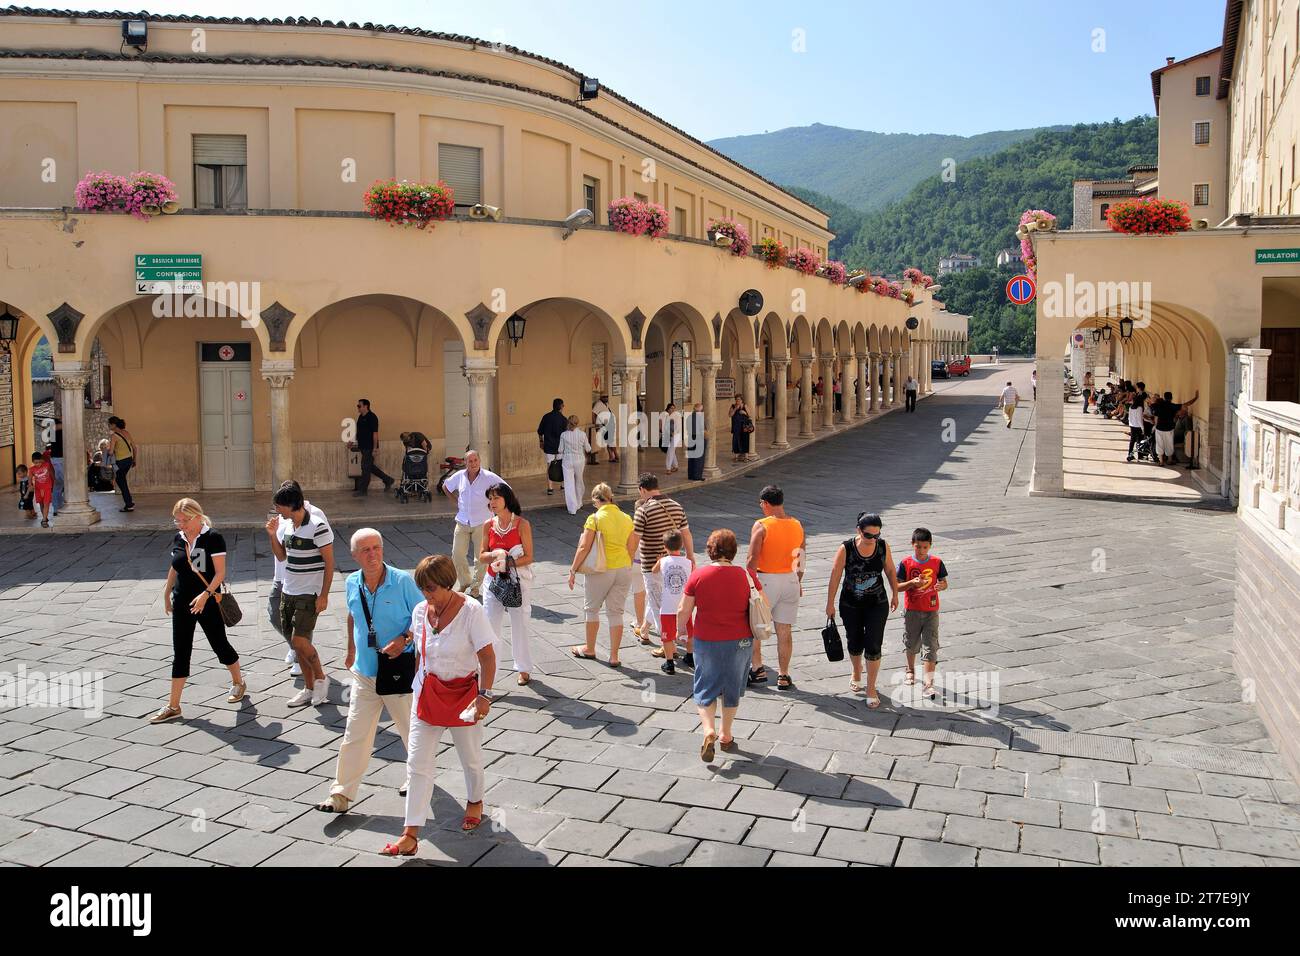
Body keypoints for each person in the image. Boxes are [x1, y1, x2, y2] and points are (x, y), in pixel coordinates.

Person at [381, 555, 496, 856]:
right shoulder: (421, 611)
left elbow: (487, 656)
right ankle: (410, 833)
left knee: (469, 757)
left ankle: (475, 802)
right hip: (428, 692)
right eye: (422, 588)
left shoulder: (472, 611)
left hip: (464, 695)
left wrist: (484, 695)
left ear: (447, 583)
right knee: (417, 763)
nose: (426, 594)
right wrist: (416, 678)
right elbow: (420, 649)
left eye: (431, 587)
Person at [316, 528, 423, 814]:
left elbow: (424, 616)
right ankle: (340, 794)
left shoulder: (402, 581)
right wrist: (351, 649)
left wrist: (405, 639)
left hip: (398, 670)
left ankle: (418, 777)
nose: (373, 554)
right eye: (366, 550)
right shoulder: (352, 581)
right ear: (354, 555)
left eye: (377, 547)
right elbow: (353, 615)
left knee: (409, 730)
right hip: (365, 671)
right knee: (355, 733)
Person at [151, 498, 245, 723]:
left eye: (184, 520)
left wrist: (205, 595)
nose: (181, 524)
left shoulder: (213, 538)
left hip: (208, 600)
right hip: (183, 601)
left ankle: (238, 682)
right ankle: (173, 705)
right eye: (177, 520)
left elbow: (220, 573)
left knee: (219, 644)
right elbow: (175, 566)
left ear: (198, 517)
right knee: (181, 652)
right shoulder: (179, 537)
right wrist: (166, 594)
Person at [678, 529, 762, 761]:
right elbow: (761, 602)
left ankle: (709, 730)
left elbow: (683, 610)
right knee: (732, 686)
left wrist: (680, 630)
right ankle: (726, 734)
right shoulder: (746, 575)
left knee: (705, 685)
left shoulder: (699, 575)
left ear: (710, 550)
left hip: (707, 639)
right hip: (740, 639)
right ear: (734, 551)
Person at [267, 483, 334, 707]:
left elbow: (330, 562)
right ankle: (308, 688)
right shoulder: (287, 526)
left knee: (300, 641)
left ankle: (321, 679)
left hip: (308, 592)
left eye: (279, 506)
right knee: (297, 645)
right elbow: (282, 557)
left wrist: (323, 595)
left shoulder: (317, 525)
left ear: (291, 504)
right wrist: (271, 535)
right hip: (288, 590)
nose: (277, 510)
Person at [826, 512, 899, 708]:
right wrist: (830, 603)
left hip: (877, 603)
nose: (873, 540)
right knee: (854, 640)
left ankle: (871, 687)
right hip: (851, 604)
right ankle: (856, 671)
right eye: (869, 536)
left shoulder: (883, 546)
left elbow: (890, 570)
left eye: (877, 536)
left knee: (874, 644)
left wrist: (895, 593)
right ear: (859, 530)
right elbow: (835, 576)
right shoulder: (846, 548)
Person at [567, 483, 635, 667]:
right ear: (611, 497)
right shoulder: (626, 518)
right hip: (623, 568)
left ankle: (590, 648)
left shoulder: (595, 518)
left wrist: (573, 569)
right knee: (616, 613)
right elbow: (631, 548)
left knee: (591, 609)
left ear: (597, 500)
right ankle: (614, 656)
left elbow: (584, 547)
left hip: (601, 570)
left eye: (594, 502)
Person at [746, 484, 804, 691]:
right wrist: (799, 581)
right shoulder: (797, 524)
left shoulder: (761, 525)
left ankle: (758, 669)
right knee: (784, 630)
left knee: (756, 627)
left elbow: (752, 559)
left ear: (766, 503)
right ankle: (784, 675)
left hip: (766, 580)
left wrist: (751, 584)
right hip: (790, 579)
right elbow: (801, 556)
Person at [479, 482, 537, 685]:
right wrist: (495, 555)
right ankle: (489, 675)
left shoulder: (522, 524)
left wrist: (508, 562)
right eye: (490, 498)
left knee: (519, 624)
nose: (492, 502)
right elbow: (481, 555)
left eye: (496, 498)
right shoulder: (488, 525)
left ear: (507, 499)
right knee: (489, 627)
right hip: (492, 581)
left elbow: (529, 556)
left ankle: (523, 668)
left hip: (516, 581)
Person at [628, 473, 693, 651]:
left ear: (642, 489)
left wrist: (628, 559)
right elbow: (686, 533)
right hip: (675, 563)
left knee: (658, 604)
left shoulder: (643, 510)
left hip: (652, 566)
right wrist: (691, 557)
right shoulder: (677, 506)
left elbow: (635, 538)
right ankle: (644, 629)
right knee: (663, 599)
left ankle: (668, 647)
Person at [441, 450, 502, 598]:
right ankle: (465, 581)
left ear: (480, 461)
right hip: (462, 521)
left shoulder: (489, 477)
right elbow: (446, 486)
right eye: (470, 461)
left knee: (480, 557)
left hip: (482, 522)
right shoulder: (459, 476)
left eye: (475, 460)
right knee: (457, 554)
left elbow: (506, 490)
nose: (473, 463)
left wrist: (494, 505)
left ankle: (475, 587)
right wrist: (456, 502)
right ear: (465, 463)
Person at [896, 528, 948, 699]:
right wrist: (912, 583)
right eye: (918, 547)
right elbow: (896, 586)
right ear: (912, 545)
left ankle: (928, 683)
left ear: (930, 546)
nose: (922, 551)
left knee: (931, 645)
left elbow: (944, 582)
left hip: (932, 610)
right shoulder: (905, 564)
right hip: (912, 609)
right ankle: (910, 669)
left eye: (925, 547)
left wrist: (942, 586)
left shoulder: (937, 562)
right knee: (911, 642)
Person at [269, 480, 301, 678]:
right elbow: (279, 553)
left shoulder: (311, 516)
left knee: (298, 621)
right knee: (274, 614)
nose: (277, 510)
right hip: (279, 576)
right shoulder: (281, 518)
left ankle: (300, 657)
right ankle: (294, 646)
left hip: (297, 579)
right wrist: (272, 533)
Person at [653, 530, 694, 674]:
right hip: (685, 606)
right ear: (682, 545)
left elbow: (653, 571)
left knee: (667, 635)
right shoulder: (688, 562)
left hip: (668, 607)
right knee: (689, 633)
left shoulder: (663, 561)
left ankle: (669, 663)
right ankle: (690, 656)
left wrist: (659, 560)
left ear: (665, 546)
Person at [352, 399, 395, 497]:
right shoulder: (360, 417)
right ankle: (388, 480)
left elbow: (375, 433)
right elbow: (358, 432)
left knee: (365, 467)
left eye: (359, 406)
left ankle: (363, 490)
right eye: (357, 406)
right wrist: (353, 442)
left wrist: (375, 448)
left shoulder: (372, 417)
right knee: (369, 467)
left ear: (366, 406)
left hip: (369, 447)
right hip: (362, 447)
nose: (358, 408)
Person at [1151, 390, 1198, 465]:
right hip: (1169, 428)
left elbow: (1152, 405)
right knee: (1169, 443)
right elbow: (1186, 404)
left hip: (1159, 428)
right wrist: (1196, 398)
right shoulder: (1173, 406)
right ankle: (1170, 460)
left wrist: (1154, 401)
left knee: (1159, 444)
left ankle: (1161, 461)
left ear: (1164, 397)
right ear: (1171, 398)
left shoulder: (1159, 405)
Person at [558, 415, 591, 515]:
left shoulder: (563, 435)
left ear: (568, 422)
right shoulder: (582, 434)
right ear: (577, 423)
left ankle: (572, 507)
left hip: (567, 460)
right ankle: (579, 502)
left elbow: (560, 449)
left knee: (568, 484)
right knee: (579, 480)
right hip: (579, 460)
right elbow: (588, 448)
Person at [537, 398, 568, 496]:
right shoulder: (563, 419)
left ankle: (550, 488)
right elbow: (566, 435)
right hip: (561, 447)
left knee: (550, 465)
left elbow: (540, 431)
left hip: (549, 446)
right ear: (561, 407)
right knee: (561, 465)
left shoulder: (546, 417)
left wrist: (541, 441)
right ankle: (562, 485)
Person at [107, 416, 136, 512]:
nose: (108, 426)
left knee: (120, 481)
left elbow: (111, 452)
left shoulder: (114, 436)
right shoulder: (126, 433)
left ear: (114, 425)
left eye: (109, 424)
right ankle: (129, 502)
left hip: (121, 461)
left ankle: (129, 504)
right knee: (121, 480)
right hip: (129, 460)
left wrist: (107, 451)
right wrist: (134, 460)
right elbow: (134, 448)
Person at [28, 452, 54, 528]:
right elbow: (29, 478)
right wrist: (30, 485)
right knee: (41, 504)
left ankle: (44, 520)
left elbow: (51, 472)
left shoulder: (47, 465)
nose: (38, 464)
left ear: (42, 460)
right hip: (38, 489)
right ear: (33, 462)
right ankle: (44, 517)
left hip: (47, 488)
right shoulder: (32, 469)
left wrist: (54, 480)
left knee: (46, 503)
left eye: (39, 462)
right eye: (36, 463)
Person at [1125, 391, 1150, 462]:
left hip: (1132, 425)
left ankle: (1130, 454)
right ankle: (1140, 455)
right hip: (1138, 426)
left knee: (1132, 441)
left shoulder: (1131, 407)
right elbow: (1139, 419)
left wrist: (1131, 424)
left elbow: (1129, 417)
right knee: (1139, 441)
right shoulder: (1139, 408)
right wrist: (1142, 428)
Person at [592, 394, 618, 463]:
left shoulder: (606, 404)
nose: (606, 398)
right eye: (604, 397)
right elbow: (593, 414)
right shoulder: (598, 404)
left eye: (607, 397)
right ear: (601, 397)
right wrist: (596, 425)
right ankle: (616, 455)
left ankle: (611, 457)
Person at [686, 402, 707, 481]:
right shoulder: (700, 417)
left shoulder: (689, 417)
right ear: (700, 410)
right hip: (699, 438)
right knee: (699, 458)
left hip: (691, 437)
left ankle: (690, 475)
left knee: (691, 457)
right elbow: (703, 430)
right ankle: (697, 476)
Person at [47, 418, 64, 516]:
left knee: (59, 484)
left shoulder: (52, 432)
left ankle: (57, 507)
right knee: (62, 482)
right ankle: (57, 507)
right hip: (58, 459)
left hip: (57, 458)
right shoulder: (53, 431)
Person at [731, 398, 754, 462]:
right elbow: (730, 415)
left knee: (745, 440)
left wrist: (745, 413)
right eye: (736, 400)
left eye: (739, 400)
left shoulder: (745, 406)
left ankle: (746, 457)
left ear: (742, 400)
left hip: (744, 426)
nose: (737, 401)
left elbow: (750, 416)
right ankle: (736, 456)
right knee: (735, 440)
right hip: (736, 426)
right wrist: (735, 409)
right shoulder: (733, 406)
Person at [663, 403, 682, 474]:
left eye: (674, 408)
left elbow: (678, 426)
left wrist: (674, 432)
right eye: (671, 408)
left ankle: (668, 468)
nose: (672, 409)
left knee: (670, 451)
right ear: (668, 409)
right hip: (670, 435)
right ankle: (675, 466)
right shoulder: (668, 415)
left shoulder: (676, 415)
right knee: (671, 451)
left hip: (675, 435)